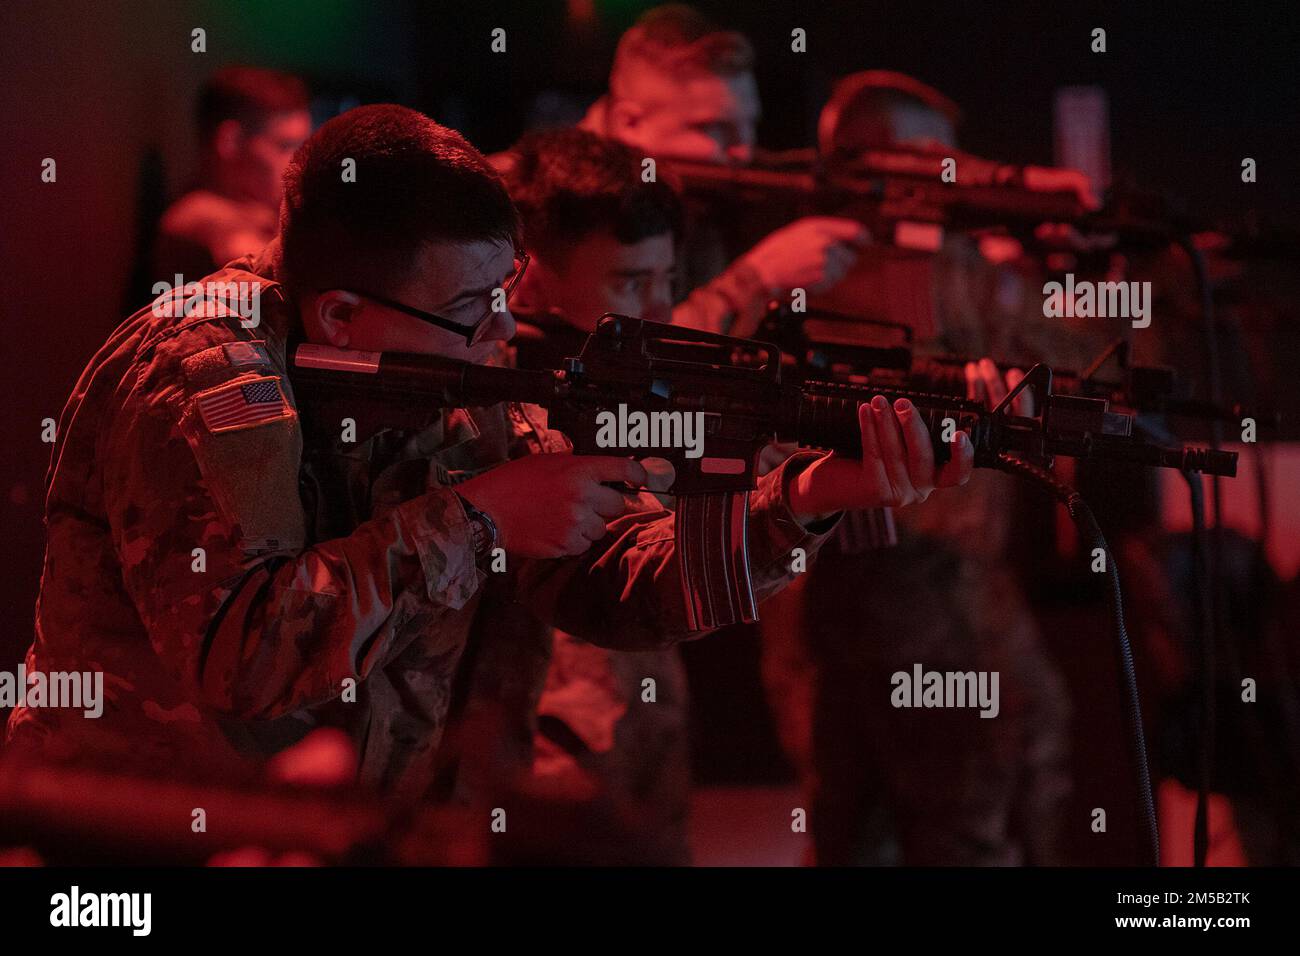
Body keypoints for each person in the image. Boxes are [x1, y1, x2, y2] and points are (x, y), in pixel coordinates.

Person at [7, 106, 973, 833]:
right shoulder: (206, 375)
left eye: (504, 292)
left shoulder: (441, 363)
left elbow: (611, 583)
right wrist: (478, 521)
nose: (505, 330)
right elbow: (246, 658)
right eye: (474, 304)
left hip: (336, 825)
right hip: (134, 834)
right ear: (340, 314)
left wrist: (806, 498)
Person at [758, 72, 1077, 865]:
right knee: (939, 823)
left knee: (1009, 778)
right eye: (931, 162)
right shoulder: (842, 271)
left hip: (956, 597)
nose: (953, 179)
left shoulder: (947, 265)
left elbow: (1074, 356)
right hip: (891, 601)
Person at [496, 127, 692, 862]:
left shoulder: (639, 380)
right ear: (532, 278)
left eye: (667, 279)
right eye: (630, 283)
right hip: (550, 725)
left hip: (641, 703)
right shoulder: (493, 404)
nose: (662, 307)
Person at [582, 4, 869, 337]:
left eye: (748, 125)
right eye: (714, 128)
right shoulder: (563, 204)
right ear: (629, 123)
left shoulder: (700, 192)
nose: (743, 150)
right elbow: (621, 348)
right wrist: (756, 280)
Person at [152, 66, 311, 281]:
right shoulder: (197, 217)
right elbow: (274, 272)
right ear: (231, 141)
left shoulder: (262, 214)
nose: (300, 161)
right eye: (285, 146)